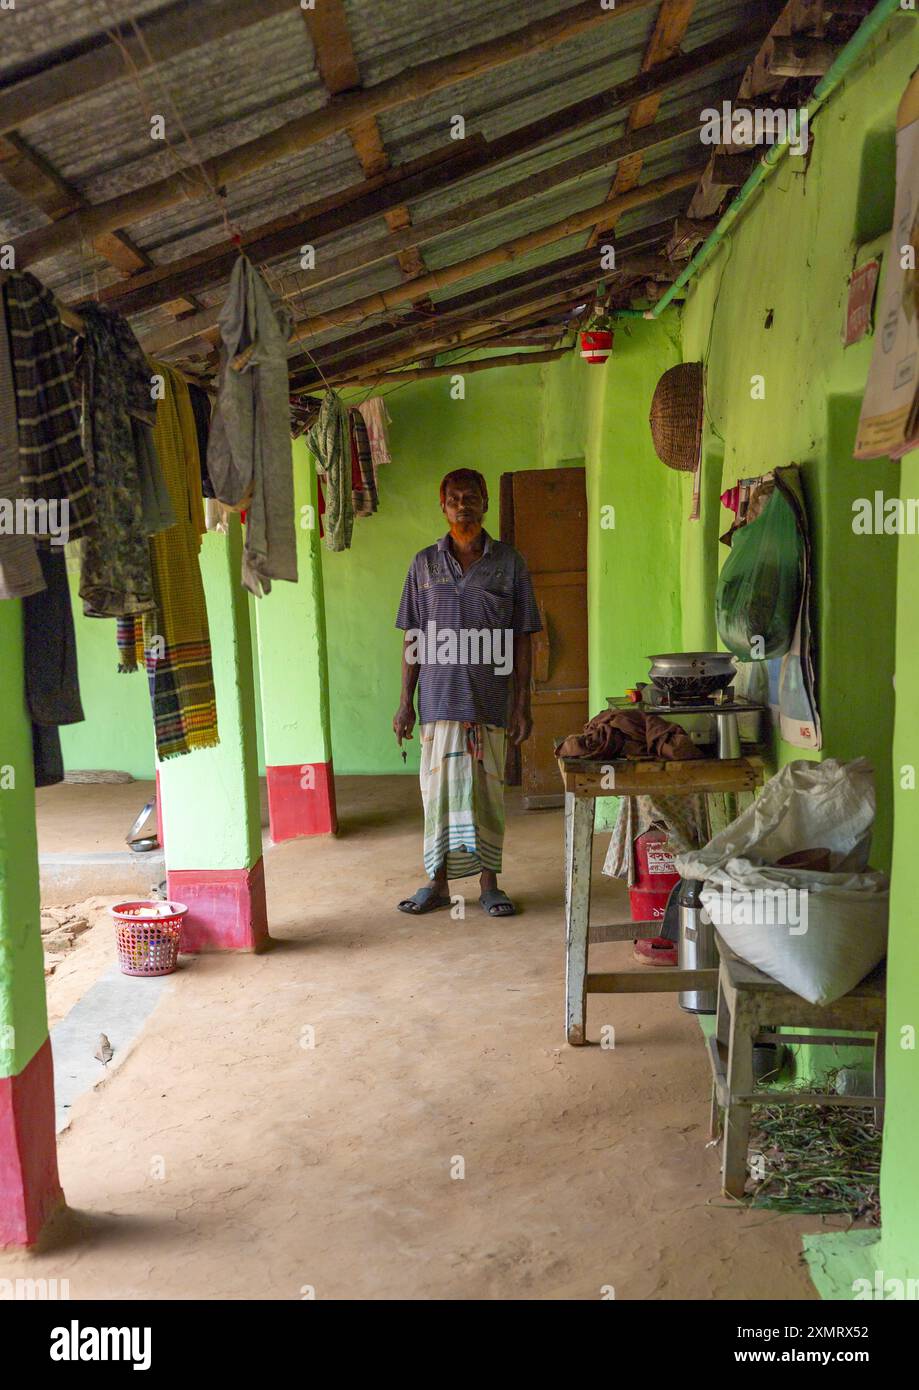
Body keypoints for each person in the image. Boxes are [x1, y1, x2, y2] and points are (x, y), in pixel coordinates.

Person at [393, 468, 542, 918]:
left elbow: (522, 636)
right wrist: (404, 703)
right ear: (444, 506)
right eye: (455, 498)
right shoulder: (423, 564)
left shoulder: (510, 563)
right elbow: (413, 636)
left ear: (485, 504)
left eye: (472, 497)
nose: (464, 504)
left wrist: (522, 705)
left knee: (486, 797)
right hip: (437, 704)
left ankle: (489, 884)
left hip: (489, 703)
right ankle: (436, 883)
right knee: (437, 798)